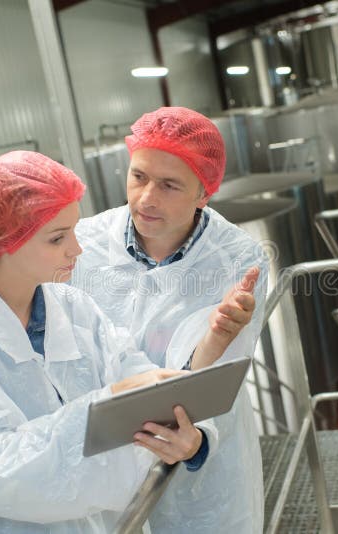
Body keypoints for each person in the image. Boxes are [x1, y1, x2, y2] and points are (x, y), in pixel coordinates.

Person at [0, 150, 255, 533]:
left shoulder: (73, 308)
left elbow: (144, 380)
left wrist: (192, 439)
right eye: (58, 238)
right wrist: (112, 401)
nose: (77, 249)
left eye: (73, 230)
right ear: (4, 242)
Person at [72, 106, 269, 533]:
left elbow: (220, 378)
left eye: (169, 185)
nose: (146, 198)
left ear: (203, 194)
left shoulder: (238, 259)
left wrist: (198, 441)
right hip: (110, 463)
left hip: (203, 469)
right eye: (139, 176)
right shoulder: (83, 246)